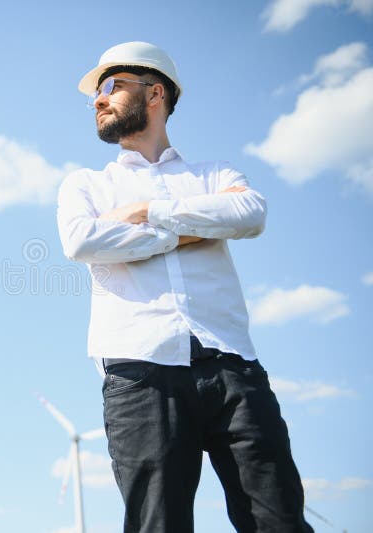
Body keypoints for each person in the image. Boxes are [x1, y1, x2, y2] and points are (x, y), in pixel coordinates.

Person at [56, 41, 313, 533]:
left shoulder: (212, 174)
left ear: (154, 93)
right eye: (96, 93)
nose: (98, 100)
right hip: (140, 373)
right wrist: (195, 228)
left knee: (280, 520)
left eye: (110, 86)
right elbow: (83, 239)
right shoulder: (85, 185)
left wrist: (147, 214)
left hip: (234, 366)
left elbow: (249, 212)